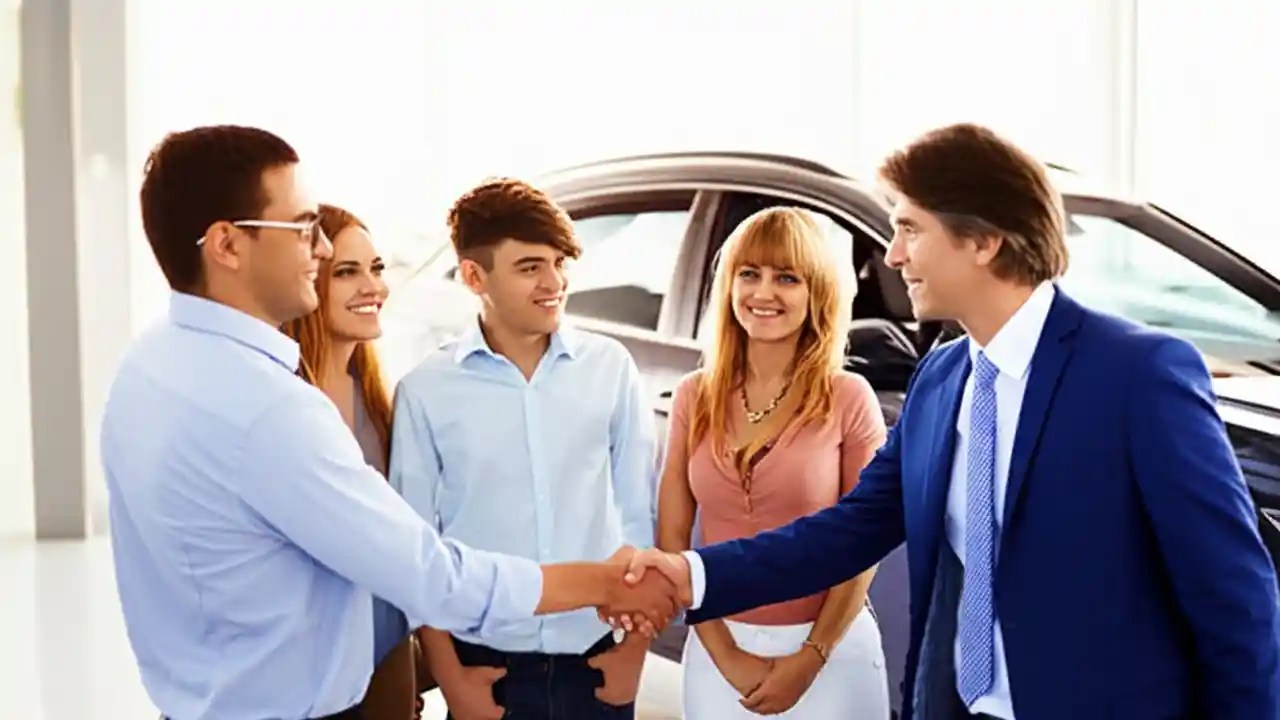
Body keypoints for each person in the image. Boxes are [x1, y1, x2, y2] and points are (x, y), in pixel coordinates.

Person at [623, 123, 1280, 719]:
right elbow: (851, 528)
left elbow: (1234, 597)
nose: (894, 256)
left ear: (984, 243)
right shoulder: (941, 380)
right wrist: (697, 576)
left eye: (911, 229)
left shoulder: (1138, 375)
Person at [101, 125, 676, 720]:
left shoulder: (148, 365)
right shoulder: (271, 409)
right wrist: (603, 584)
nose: (320, 248)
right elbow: (432, 576)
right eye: (302, 228)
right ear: (226, 245)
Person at [389, 177, 658, 720]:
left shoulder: (611, 368)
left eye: (560, 262)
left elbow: (640, 521)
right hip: (487, 672)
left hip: (597, 661)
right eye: (530, 266)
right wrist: (452, 679)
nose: (553, 282)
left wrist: (633, 656)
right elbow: (415, 553)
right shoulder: (425, 390)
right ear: (473, 276)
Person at [659, 206, 890, 718]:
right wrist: (726, 654)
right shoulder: (693, 396)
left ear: (817, 293)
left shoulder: (848, 397)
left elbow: (864, 545)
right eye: (749, 274)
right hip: (718, 656)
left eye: (787, 277)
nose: (763, 293)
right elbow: (672, 542)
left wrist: (811, 658)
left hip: (830, 654)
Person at [281, 203, 432, 719]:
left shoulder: (378, 399)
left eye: (377, 269)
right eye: (348, 272)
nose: (374, 288)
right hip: (307, 659)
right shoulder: (280, 402)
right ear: (308, 280)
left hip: (385, 645)